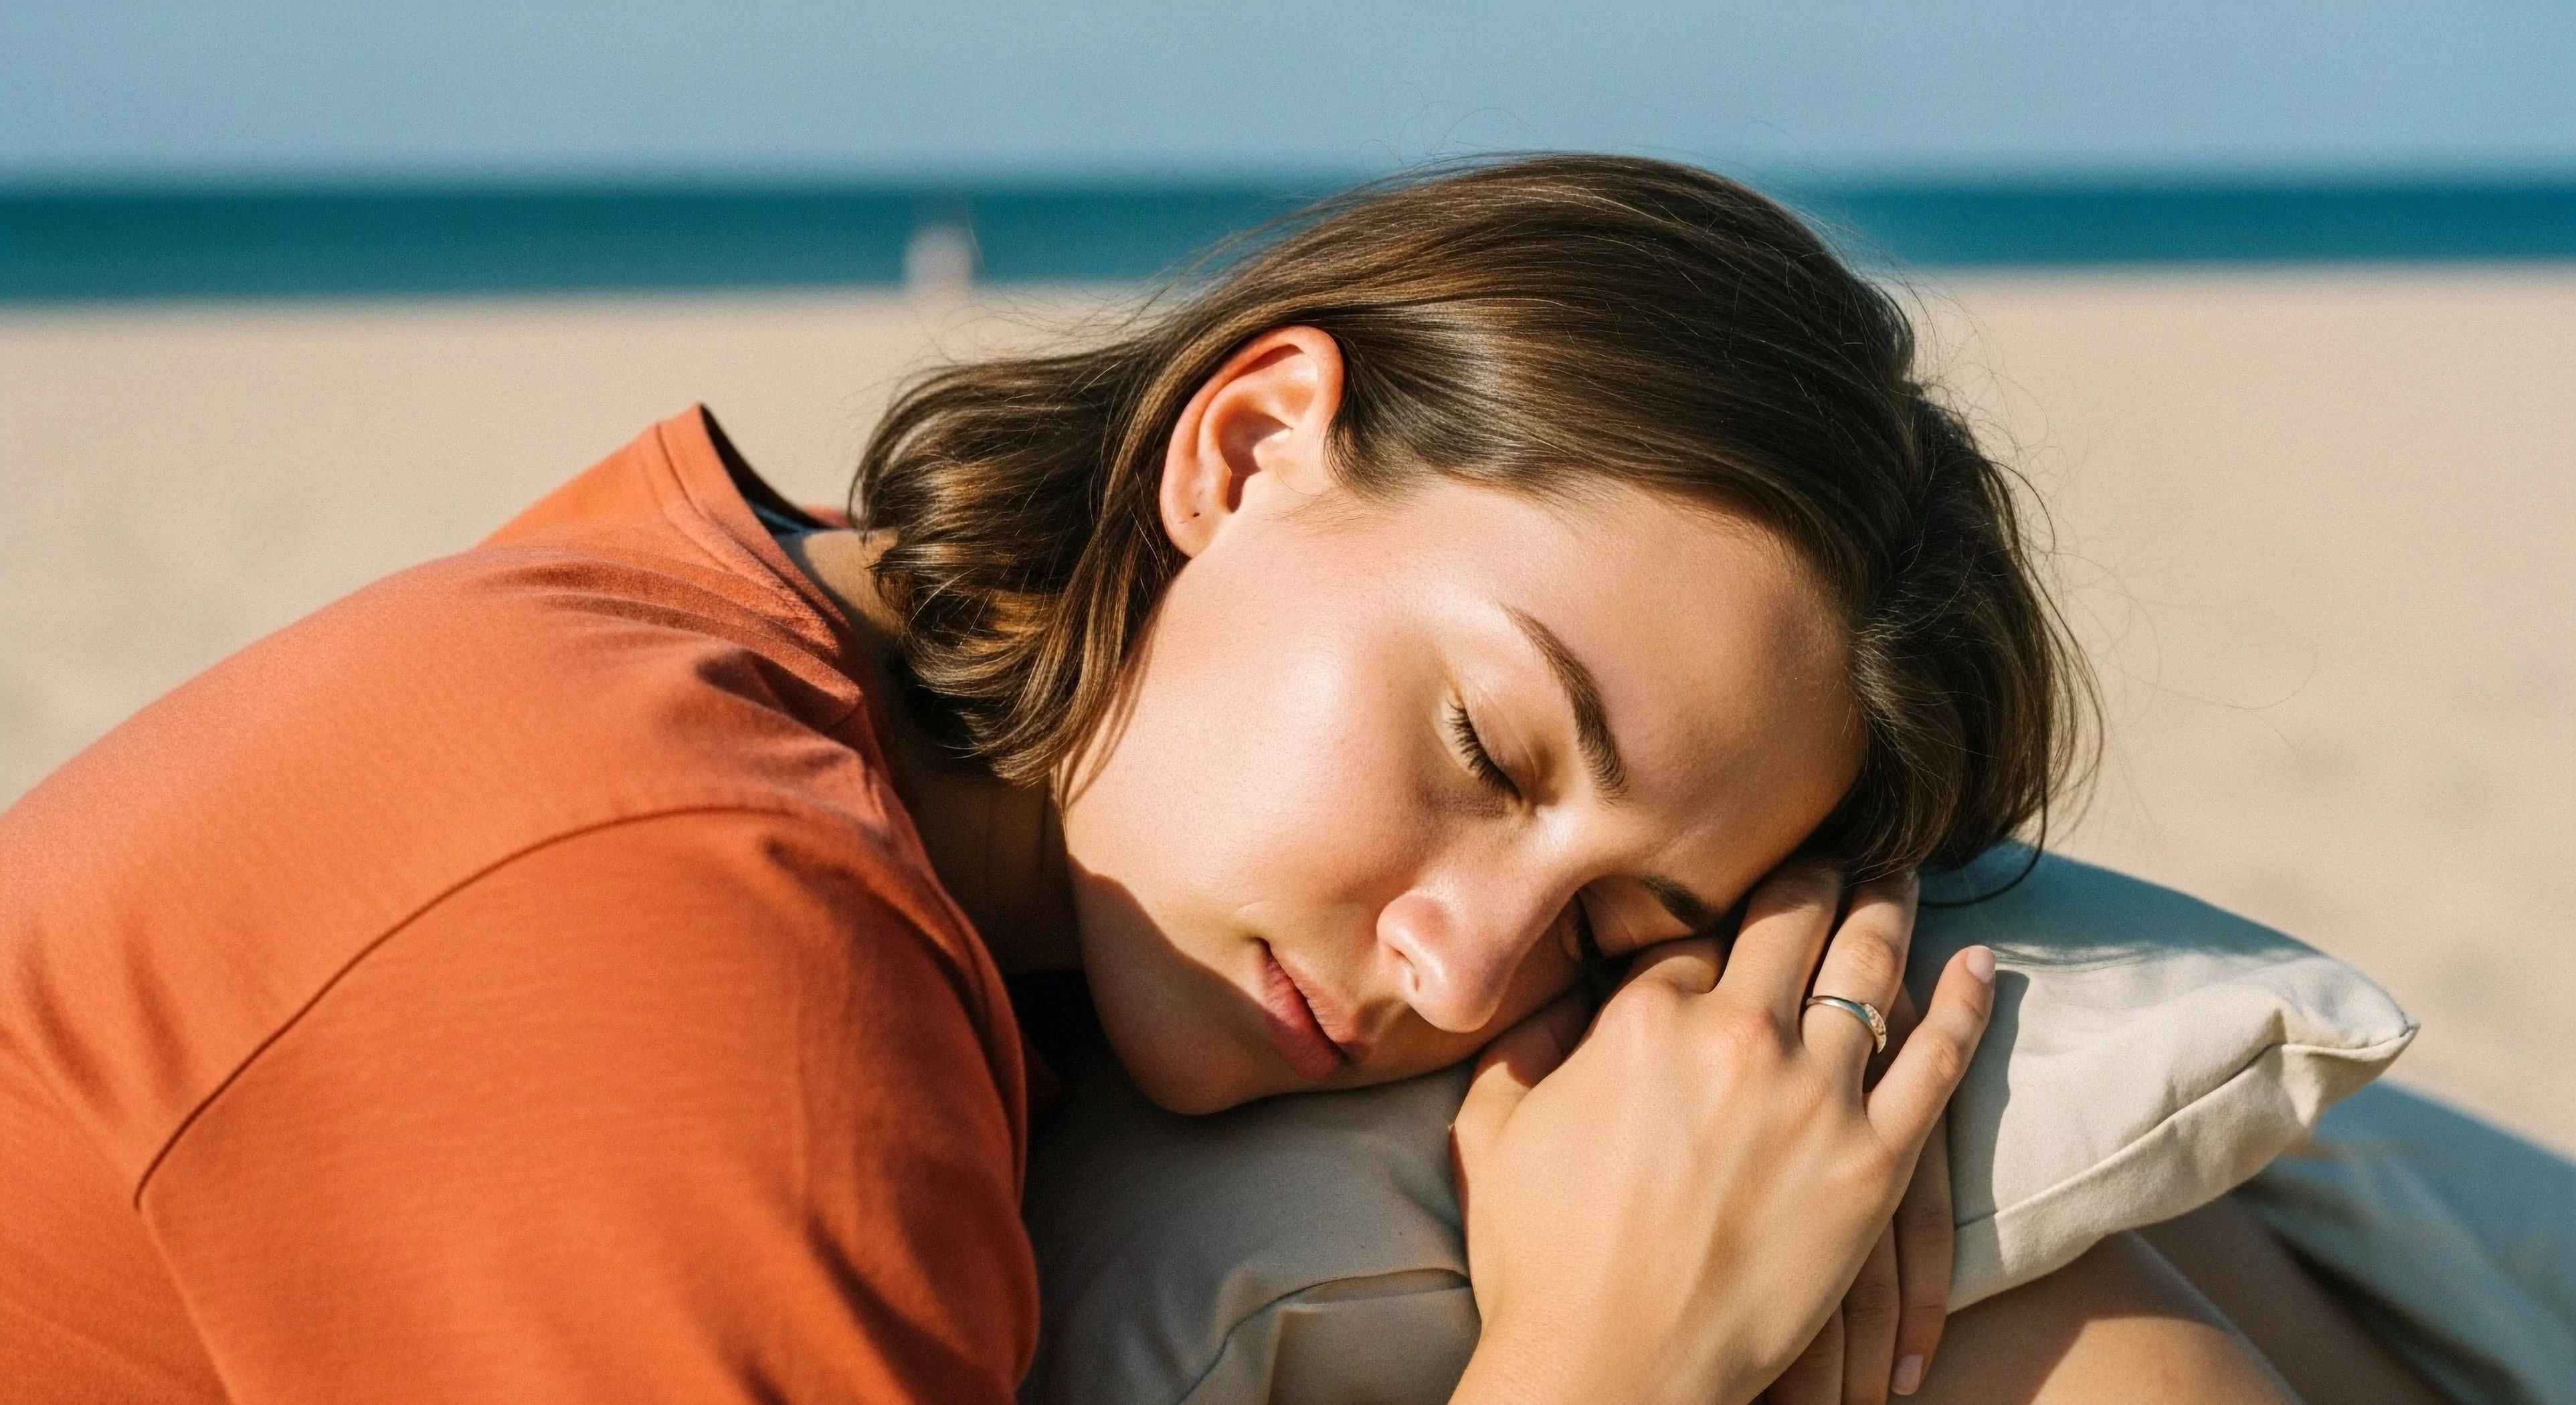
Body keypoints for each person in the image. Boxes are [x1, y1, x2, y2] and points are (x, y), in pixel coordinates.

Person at [0, 156, 2437, 1404]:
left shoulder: (748, 639)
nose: (1467, 963)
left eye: (1613, 931)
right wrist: (1602, 1372)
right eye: (1489, 745)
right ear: (1252, 444)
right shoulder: (669, 901)